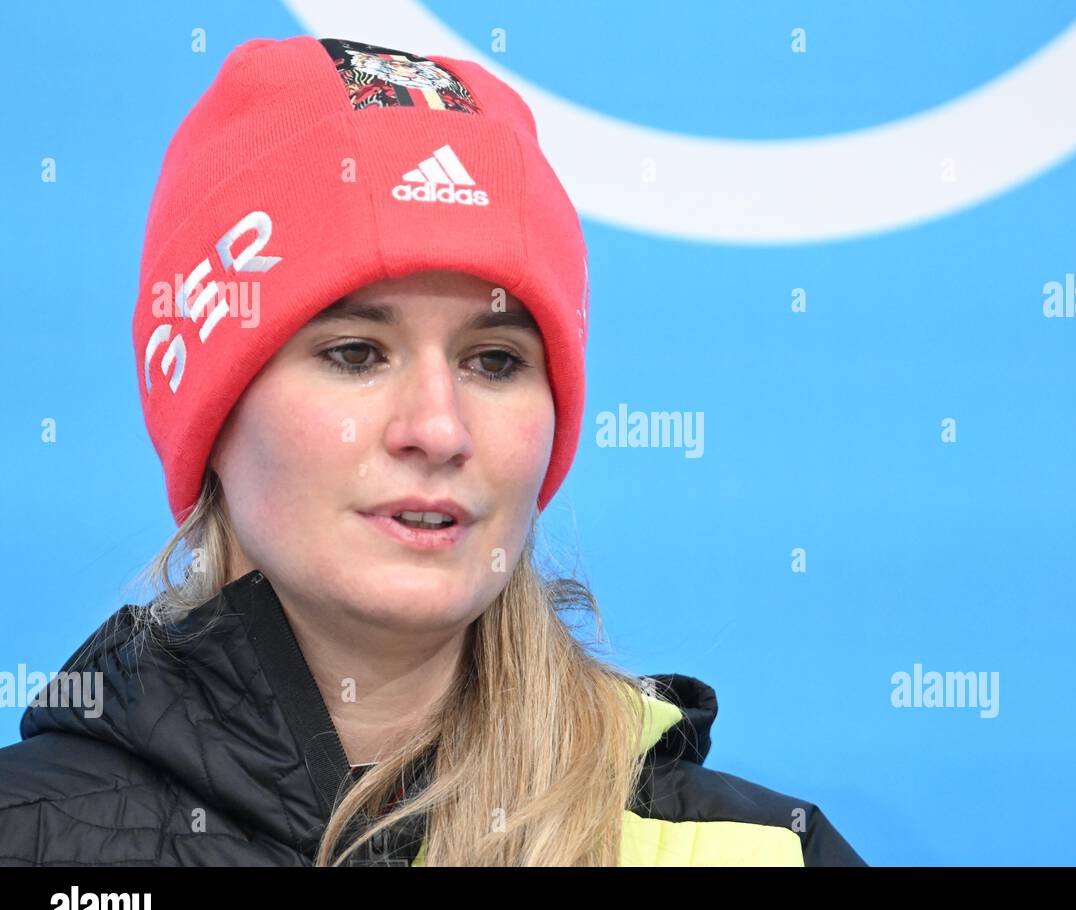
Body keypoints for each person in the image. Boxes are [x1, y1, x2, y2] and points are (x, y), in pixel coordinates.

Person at [0, 36, 866, 867]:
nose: (439, 428)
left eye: (495, 362)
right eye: (355, 354)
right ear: (212, 411)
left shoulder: (758, 852)